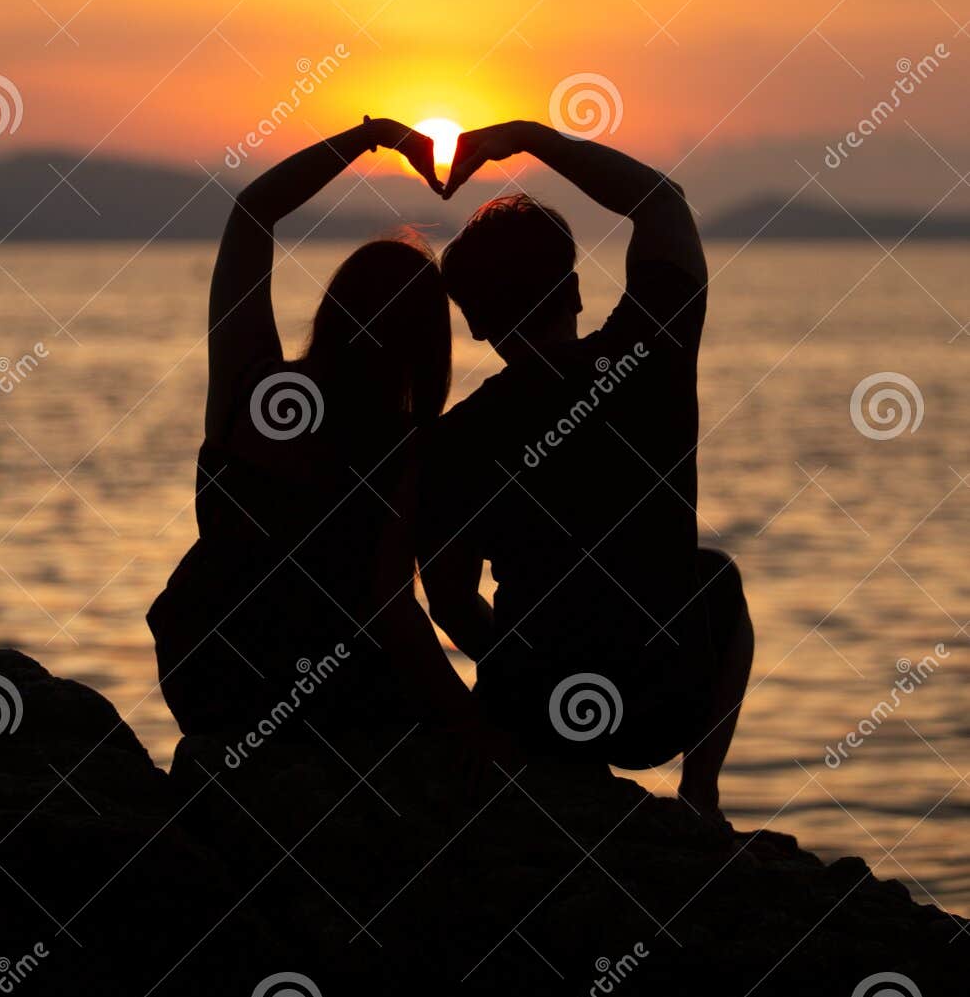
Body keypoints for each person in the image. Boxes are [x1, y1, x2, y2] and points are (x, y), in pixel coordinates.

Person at [420, 119, 753, 815]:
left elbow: (448, 599)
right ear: (572, 292)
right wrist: (530, 138)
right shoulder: (649, 356)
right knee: (714, 580)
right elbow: (661, 202)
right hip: (658, 707)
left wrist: (523, 666)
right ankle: (700, 789)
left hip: (536, 715)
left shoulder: (458, 438)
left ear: (476, 325)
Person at [148, 118, 484, 756]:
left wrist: (371, 138)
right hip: (315, 695)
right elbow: (393, 609)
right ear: (424, 347)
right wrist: (471, 721)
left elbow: (252, 213)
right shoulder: (400, 448)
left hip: (201, 669)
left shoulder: (253, 390)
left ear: (336, 309)